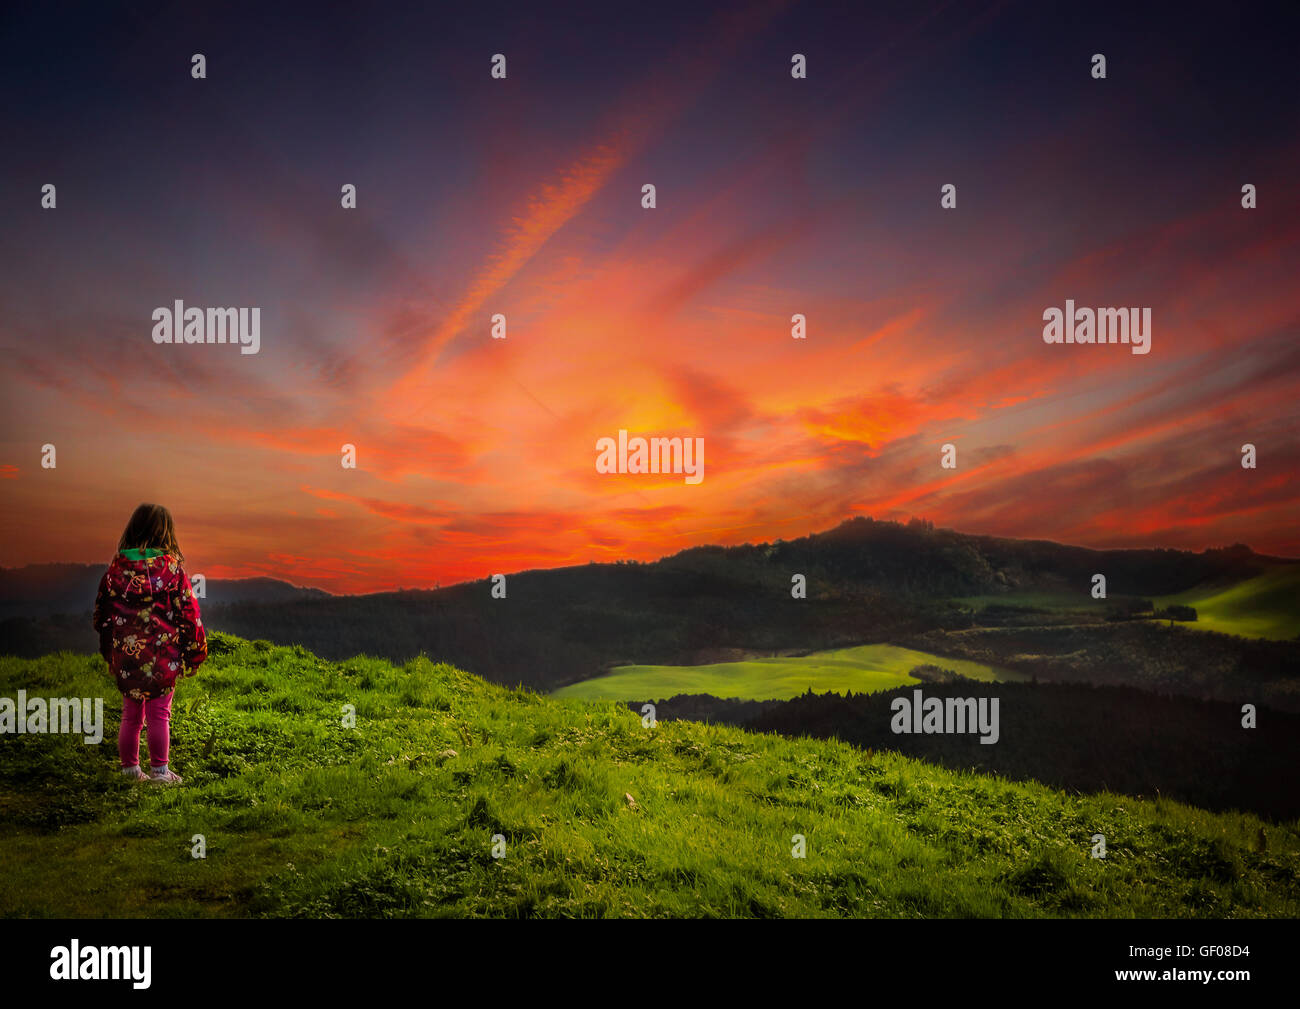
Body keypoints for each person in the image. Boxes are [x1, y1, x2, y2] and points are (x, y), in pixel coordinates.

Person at [93, 504, 207, 783]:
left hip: (127, 659)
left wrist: (110, 655)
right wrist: (194, 655)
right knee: (159, 714)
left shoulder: (113, 573)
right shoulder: (173, 573)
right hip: (162, 658)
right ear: (167, 534)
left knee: (130, 715)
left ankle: (130, 770)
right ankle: (160, 772)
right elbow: (189, 616)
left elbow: (102, 618)